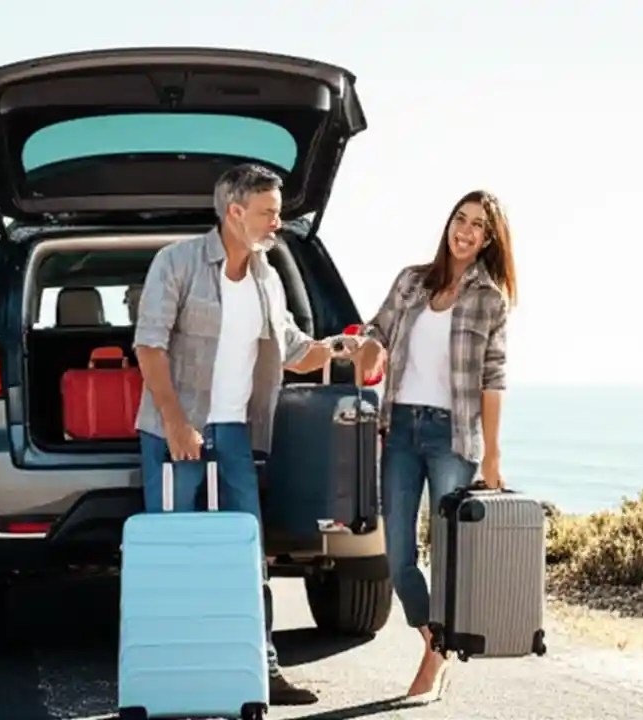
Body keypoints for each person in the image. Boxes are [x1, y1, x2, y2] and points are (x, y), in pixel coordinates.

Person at [131, 163, 343, 706]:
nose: (278, 221)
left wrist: (345, 349)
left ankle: (259, 669)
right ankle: (174, 675)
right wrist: (177, 423)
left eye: (279, 211)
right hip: (176, 430)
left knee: (247, 553)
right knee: (178, 553)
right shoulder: (175, 263)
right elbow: (149, 345)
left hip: (237, 436)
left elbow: (295, 349)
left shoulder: (268, 277)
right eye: (269, 212)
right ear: (235, 212)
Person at [348, 189, 517, 702]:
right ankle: (432, 635)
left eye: (477, 227)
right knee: (398, 555)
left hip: (453, 435)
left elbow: (494, 376)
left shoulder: (489, 298)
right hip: (399, 429)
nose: (465, 231)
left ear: (489, 239)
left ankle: (435, 658)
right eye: (459, 220)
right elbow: (376, 328)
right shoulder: (411, 280)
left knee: (448, 558)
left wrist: (491, 454)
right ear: (449, 223)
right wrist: (370, 346)